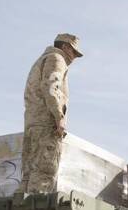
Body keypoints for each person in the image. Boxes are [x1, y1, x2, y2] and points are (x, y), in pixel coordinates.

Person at [21, 33, 83, 194]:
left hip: (33, 123)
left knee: (29, 172)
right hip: (46, 123)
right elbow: (51, 88)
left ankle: (23, 205)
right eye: (74, 53)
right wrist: (59, 117)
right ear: (65, 47)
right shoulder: (57, 59)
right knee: (45, 170)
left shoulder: (43, 59)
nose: (74, 58)